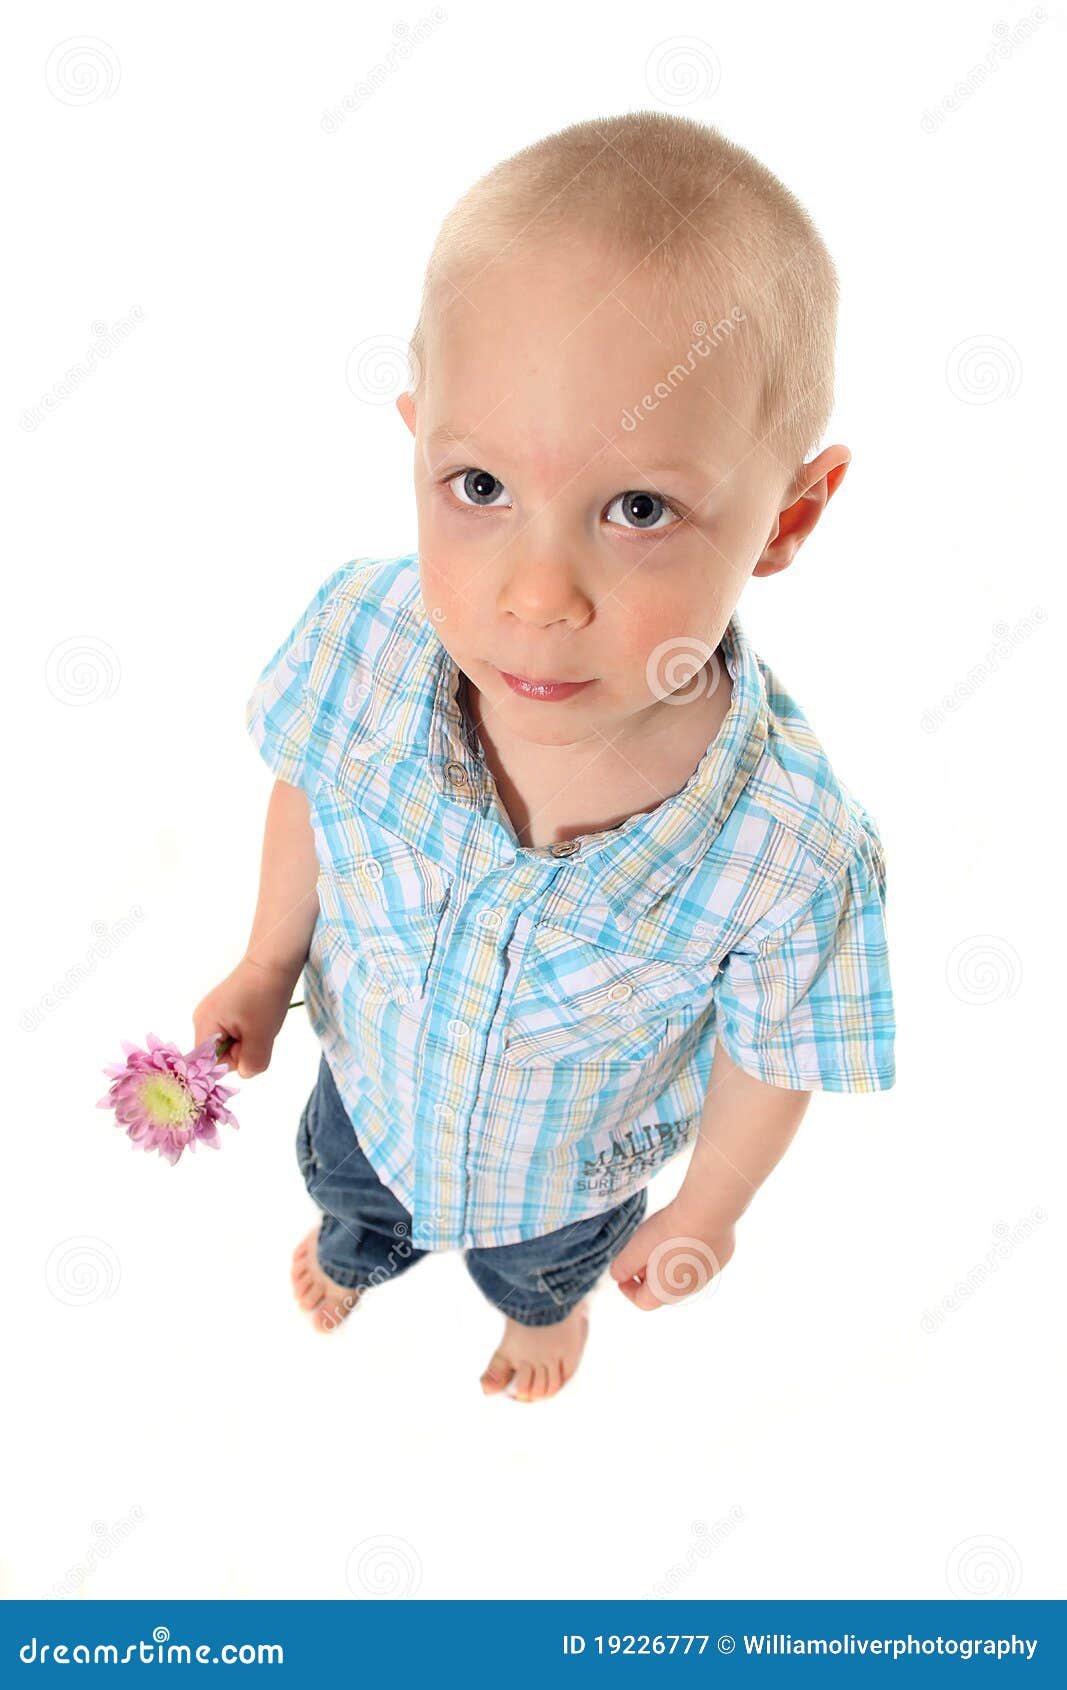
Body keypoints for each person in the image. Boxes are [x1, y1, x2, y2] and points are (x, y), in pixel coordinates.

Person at [193, 110, 896, 1403]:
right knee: (346, 1186)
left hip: (565, 1172)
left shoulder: (791, 847)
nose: (536, 593)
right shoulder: (368, 640)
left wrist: (709, 1210)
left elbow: (774, 1050)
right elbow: (316, 793)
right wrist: (263, 960)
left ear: (787, 516)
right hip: (370, 1088)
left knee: (543, 1261)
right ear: (417, 440)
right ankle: (359, 1249)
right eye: (478, 487)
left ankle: (535, 1308)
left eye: (638, 510)